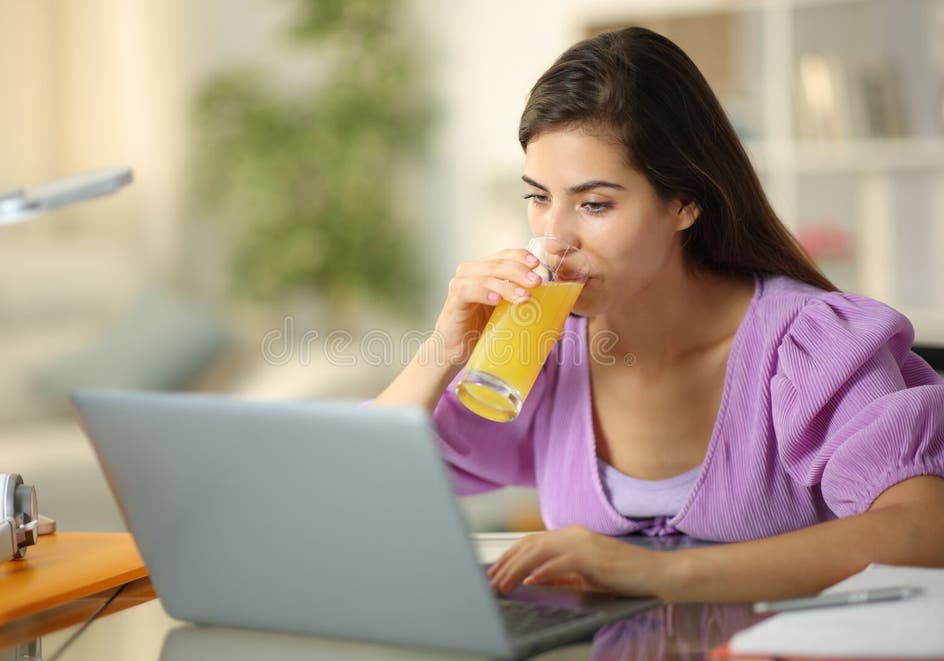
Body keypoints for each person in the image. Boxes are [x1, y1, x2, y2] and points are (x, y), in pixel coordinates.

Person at [374, 27, 944, 602]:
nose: (553, 238)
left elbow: (924, 531)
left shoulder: (808, 345)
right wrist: (442, 351)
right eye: (540, 198)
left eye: (594, 204)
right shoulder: (542, 344)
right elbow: (362, 486)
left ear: (684, 202)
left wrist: (662, 576)